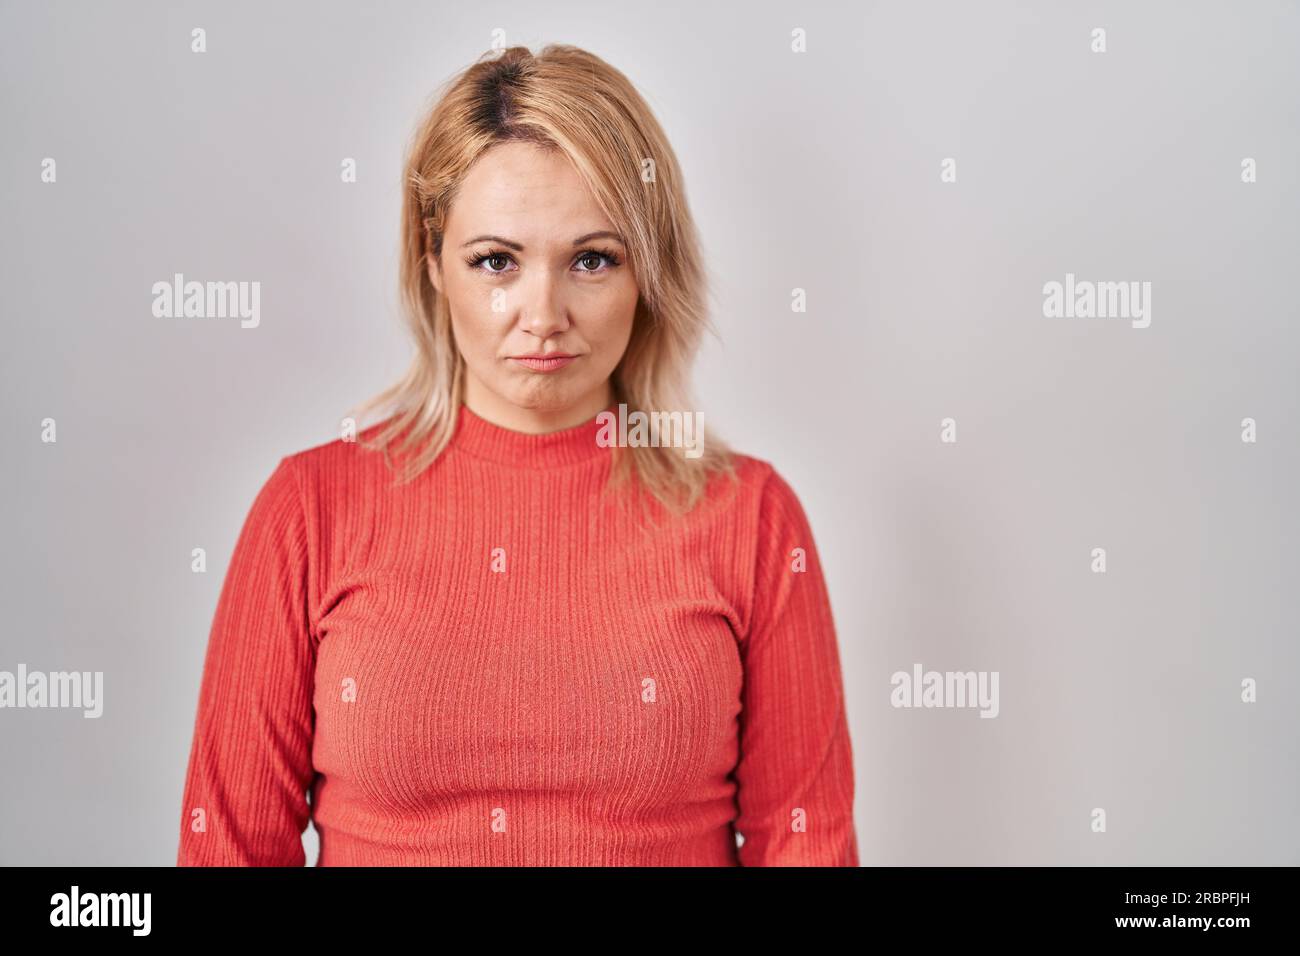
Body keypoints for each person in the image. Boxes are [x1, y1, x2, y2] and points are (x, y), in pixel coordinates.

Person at [176, 43, 858, 866]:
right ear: (432, 263)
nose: (543, 313)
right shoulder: (311, 509)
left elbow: (807, 846)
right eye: (496, 261)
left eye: (592, 259)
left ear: (648, 271)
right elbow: (228, 850)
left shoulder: (751, 517)